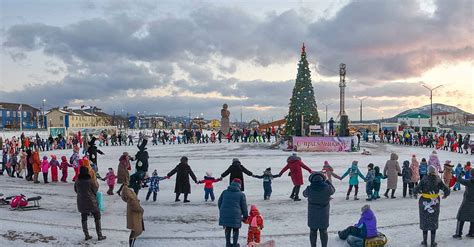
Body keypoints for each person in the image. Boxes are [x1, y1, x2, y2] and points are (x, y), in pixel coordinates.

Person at [413, 166, 450, 246]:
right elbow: (446, 189)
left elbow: (416, 189)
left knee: (424, 221)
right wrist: (445, 195)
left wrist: (415, 194)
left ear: (428, 171)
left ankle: (425, 242)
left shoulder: (424, 179)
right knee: (433, 221)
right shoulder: (438, 179)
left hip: (424, 203)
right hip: (435, 202)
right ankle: (433, 242)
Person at [303, 172, 335, 247]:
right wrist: (327, 181)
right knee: (323, 231)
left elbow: (304, 194)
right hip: (324, 214)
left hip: (312, 214)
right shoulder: (327, 188)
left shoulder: (309, 188)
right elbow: (333, 190)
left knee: (313, 231)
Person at [74, 166, 106, 241]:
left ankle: (86, 235)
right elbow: (95, 189)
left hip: (81, 202)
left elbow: (76, 190)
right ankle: (99, 235)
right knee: (97, 217)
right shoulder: (90, 181)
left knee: (84, 218)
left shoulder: (77, 181)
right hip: (92, 202)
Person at [218, 178, 248, 247]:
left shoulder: (224, 192)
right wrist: (245, 216)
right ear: (239, 185)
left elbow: (219, 202)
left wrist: (222, 210)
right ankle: (234, 244)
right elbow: (244, 206)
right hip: (236, 214)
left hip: (224, 213)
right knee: (235, 228)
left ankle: (228, 244)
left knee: (227, 228)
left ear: (231, 183)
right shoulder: (241, 194)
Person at [453, 167, 474, 239]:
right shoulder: (469, 182)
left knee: (461, 217)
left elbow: (458, 179)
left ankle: (458, 234)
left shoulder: (469, 182)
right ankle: (472, 233)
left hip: (467, 203)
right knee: (473, 218)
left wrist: (461, 174)